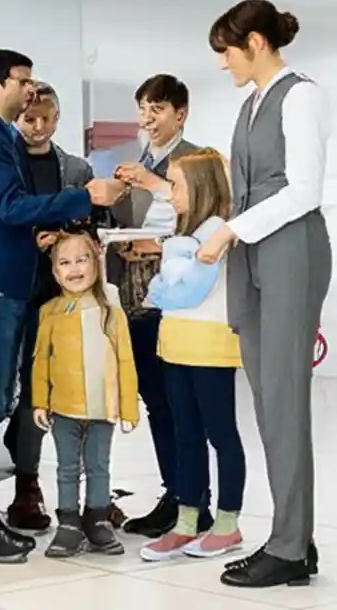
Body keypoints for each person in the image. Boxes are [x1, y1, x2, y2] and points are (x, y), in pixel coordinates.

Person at [0, 49, 127, 564]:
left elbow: (9, 212)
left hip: (8, 286)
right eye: (23, 82)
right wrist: (83, 197)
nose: (31, 90)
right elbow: (10, 208)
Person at [195, 0, 331, 589]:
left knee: (283, 402)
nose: (224, 65)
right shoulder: (250, 103)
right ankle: (295, 539)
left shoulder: (301, 95)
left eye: (227, 53)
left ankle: (289, 547)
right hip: (254, 254)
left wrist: (230, 230)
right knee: (269, 405)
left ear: (253, 42)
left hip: (289, 251)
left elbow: (304, 189)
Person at [109, 75, 213, 539]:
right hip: (137, 295)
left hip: (174, 296)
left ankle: (193, 501)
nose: (147, 119)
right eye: (142, 109)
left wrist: (154, 238)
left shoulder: (195, 161)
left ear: (180, 114)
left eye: (157, 109)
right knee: (156, 399)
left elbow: (204, 221)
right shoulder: (141, 162)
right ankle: (176, 494)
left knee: (177, 402)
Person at [136, 149, 247, 562]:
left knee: (221, 434)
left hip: (209, 344)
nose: (171, 195)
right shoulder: (188, 231)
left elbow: (183, 288)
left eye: (176, 186)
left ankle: (228, 524)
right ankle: (186, 521)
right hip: (178, 341)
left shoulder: (217, 230)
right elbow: (166, 286)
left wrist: (169, 268)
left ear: (198, 187)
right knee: (186, 434)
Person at [2, 81, 96, 532]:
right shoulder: (6, 164)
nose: (37, 128)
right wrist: (31, 240)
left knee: (65, 390)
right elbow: (1, 218)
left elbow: (92, 231)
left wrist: (67, 242)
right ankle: (26, 484)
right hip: (18, 290)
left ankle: (83, 493)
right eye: (29, 119)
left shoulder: (76, 169)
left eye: (46, 120)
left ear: (57, 119)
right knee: (25, 389)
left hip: (65, 297)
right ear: (18, 117)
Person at [30, 231, 139, 558]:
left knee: (98, 466)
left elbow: (125, 360)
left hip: (101, 410)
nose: (74, 268)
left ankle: (98, 519)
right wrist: (40, 401)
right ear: (54, 272)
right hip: (64, 409)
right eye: (65, 262)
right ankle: (68, 523)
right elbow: (41, 361)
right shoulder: (49, 312)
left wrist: (128, 407)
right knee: (66, 468)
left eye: (82, 259)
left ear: (97, 263)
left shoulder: (111, 312)